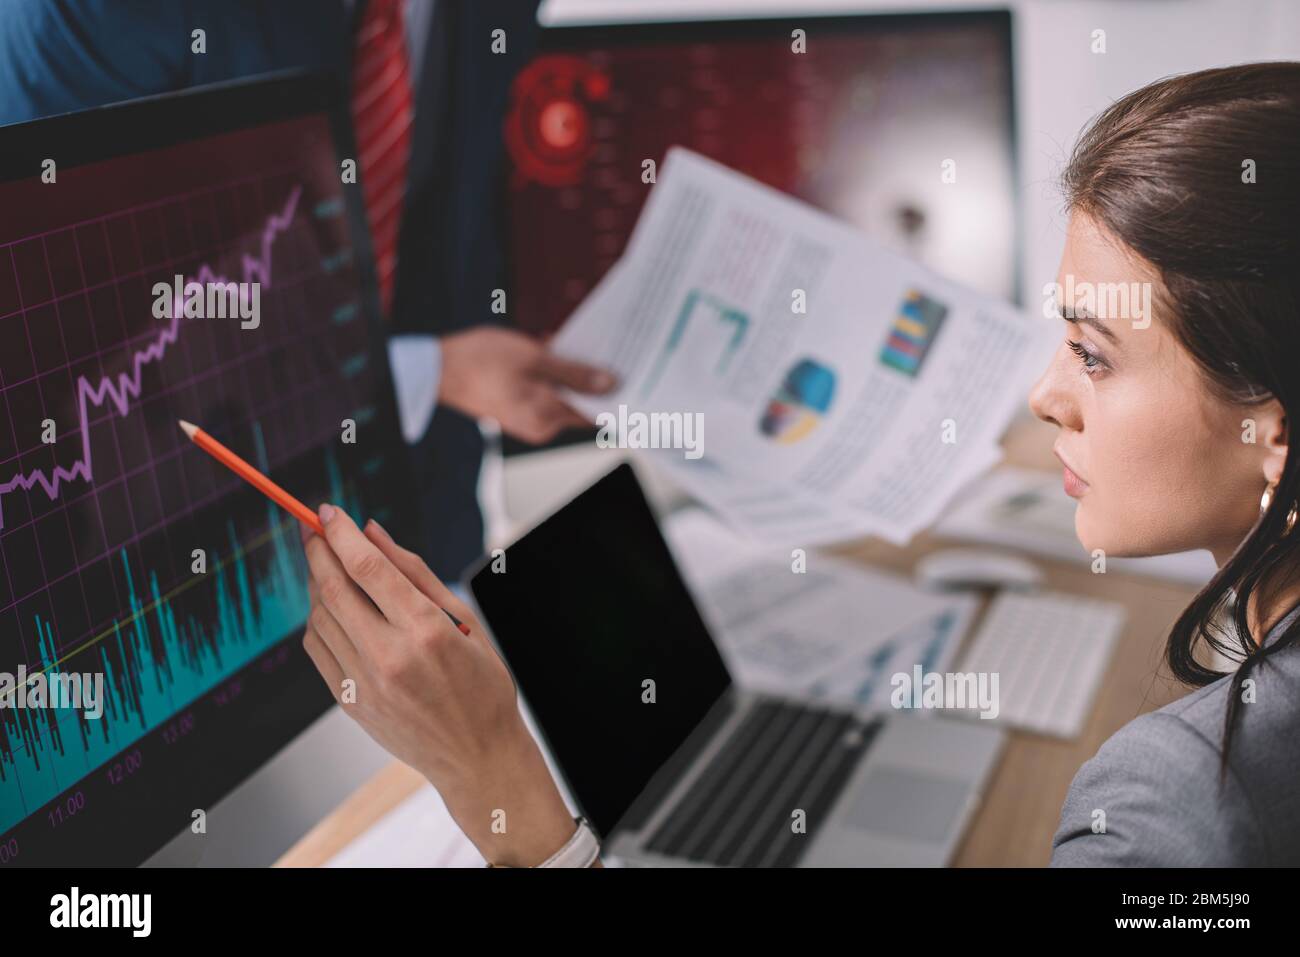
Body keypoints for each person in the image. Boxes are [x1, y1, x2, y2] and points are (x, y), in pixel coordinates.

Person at [302, 61, 1300, 868]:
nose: (1044, 396)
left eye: (1093, 354)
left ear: (1274, 431)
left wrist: (496, 782)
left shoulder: (1164, 811)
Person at [0, 0, 615, 582]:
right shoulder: (101, 13)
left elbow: (456, 217)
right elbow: (65, 352)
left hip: (422, 504)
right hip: (186, 548)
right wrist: (431, 372)